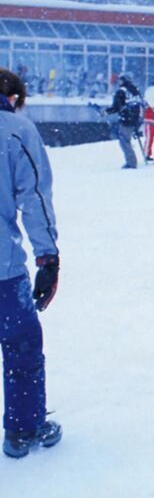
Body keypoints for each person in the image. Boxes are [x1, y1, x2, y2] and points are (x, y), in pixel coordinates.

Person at [0, 69, 62, 459]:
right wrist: (48, 257)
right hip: (3, 271)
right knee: (21, 346)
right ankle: (23, 429)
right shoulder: (16, 131)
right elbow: (34, 197)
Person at [105, 74, 142, 168]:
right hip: (136, 118)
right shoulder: (135, 90)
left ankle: (131, 162)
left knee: (124, 140)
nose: (118, 82)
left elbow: (117, 107)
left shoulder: (121, 91)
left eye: (120, 80)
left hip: (126, 119)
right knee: (127, 139)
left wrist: (106, 112)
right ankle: (132, 160)